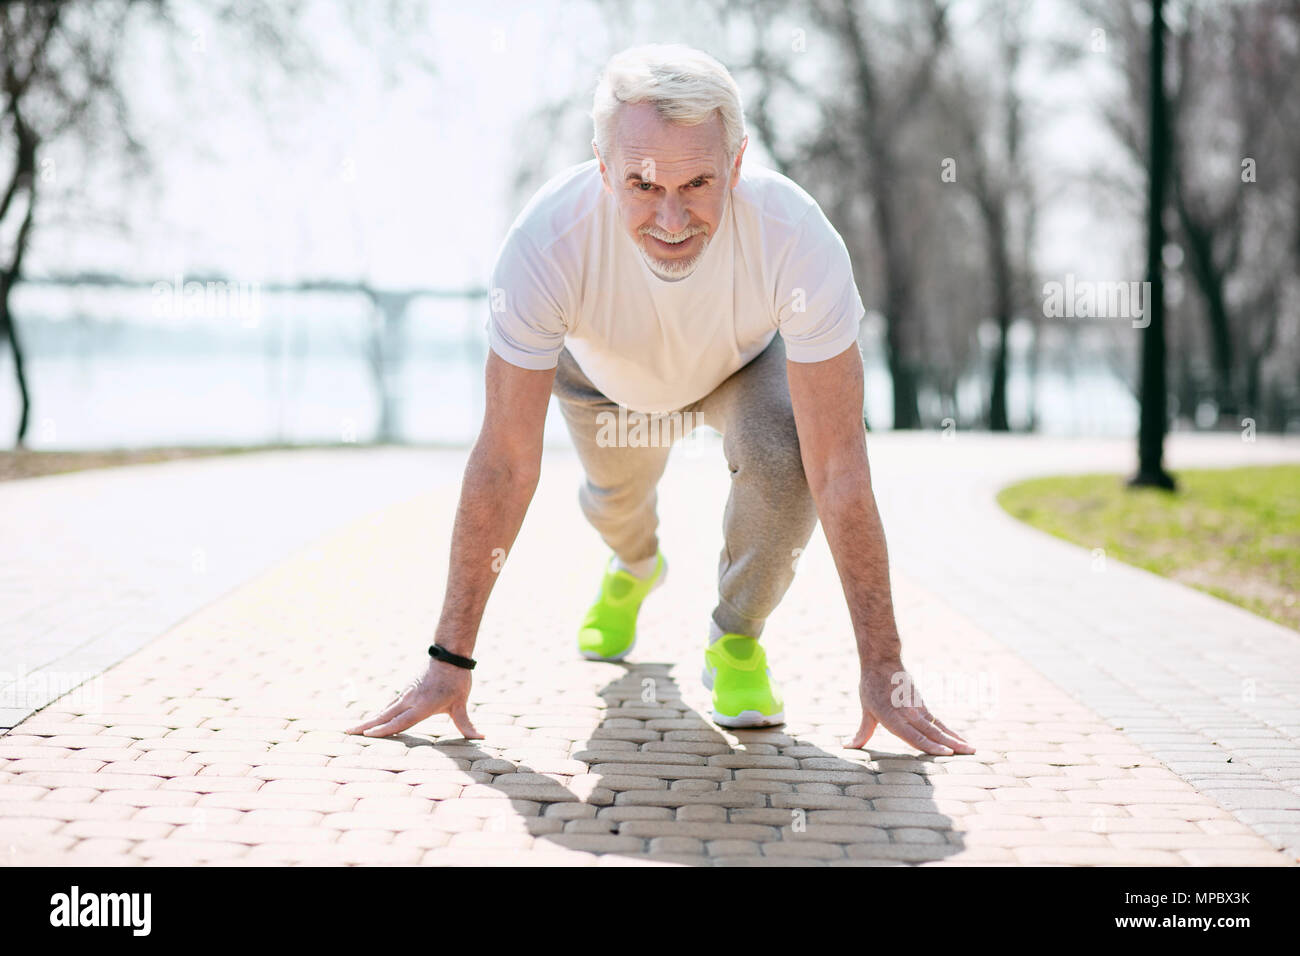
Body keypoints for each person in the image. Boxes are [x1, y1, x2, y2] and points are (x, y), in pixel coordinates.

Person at [348, 43, 974, 756]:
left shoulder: (796, 238)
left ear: (737, 164)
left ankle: (735, 643)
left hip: (739, 366)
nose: (672, 219)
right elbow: (504, 461)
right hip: (605, 386)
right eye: (643, 185)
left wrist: (884, 667)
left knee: (788, 455)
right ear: (604, 169)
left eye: (699, 182)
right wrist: (448, 660)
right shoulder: (544, 245)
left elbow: (841, 470)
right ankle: (636, 568)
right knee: (618, 506)